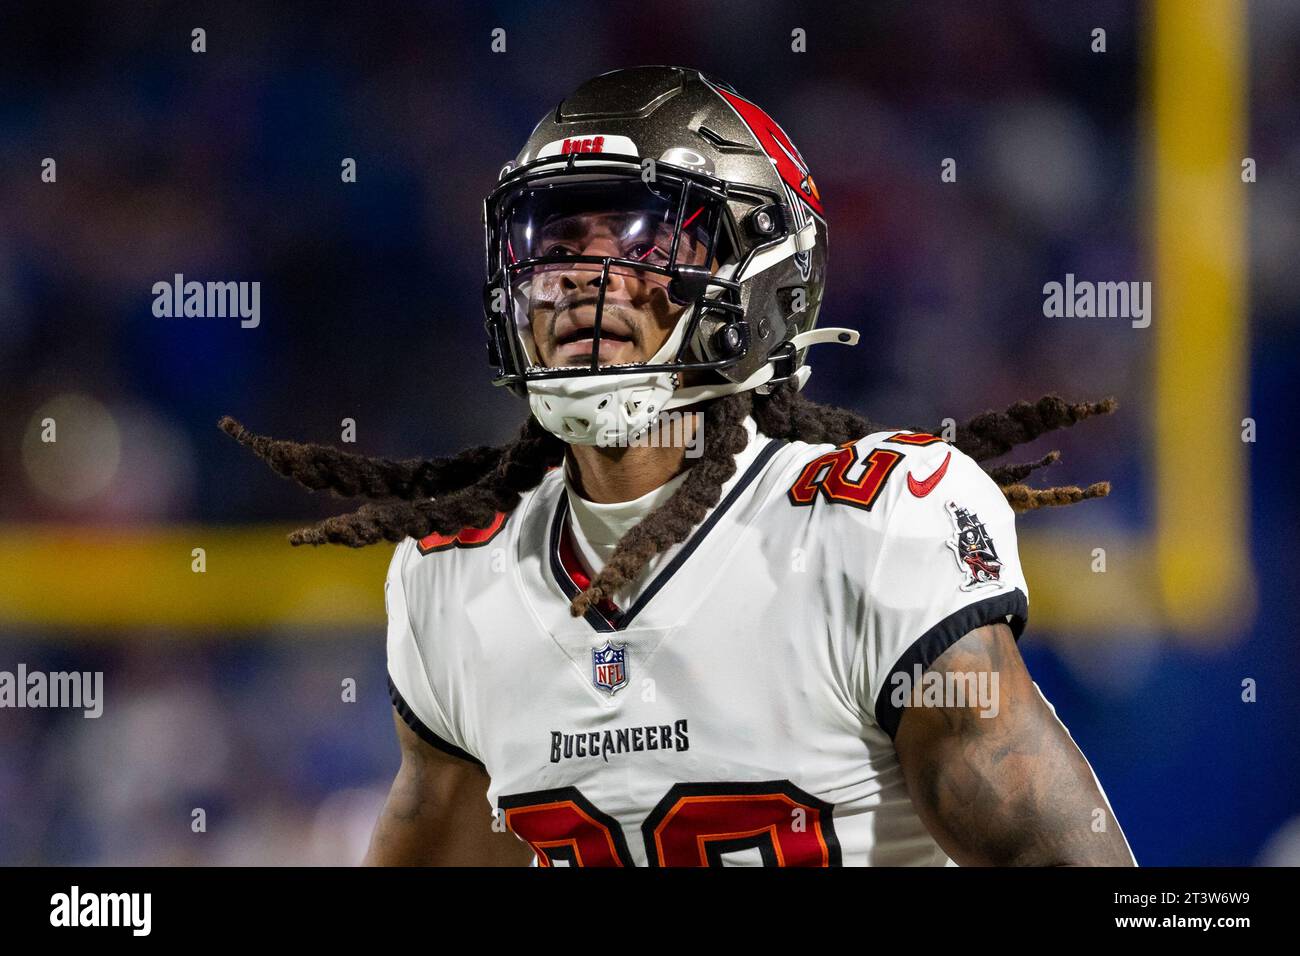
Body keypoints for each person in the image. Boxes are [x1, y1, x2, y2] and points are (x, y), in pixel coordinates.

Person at [223, 66, 1134, 866]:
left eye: (646, 241)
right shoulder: (452, 574)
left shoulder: (869, 526)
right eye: (557, 240)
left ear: (765, 281)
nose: (587, 275)